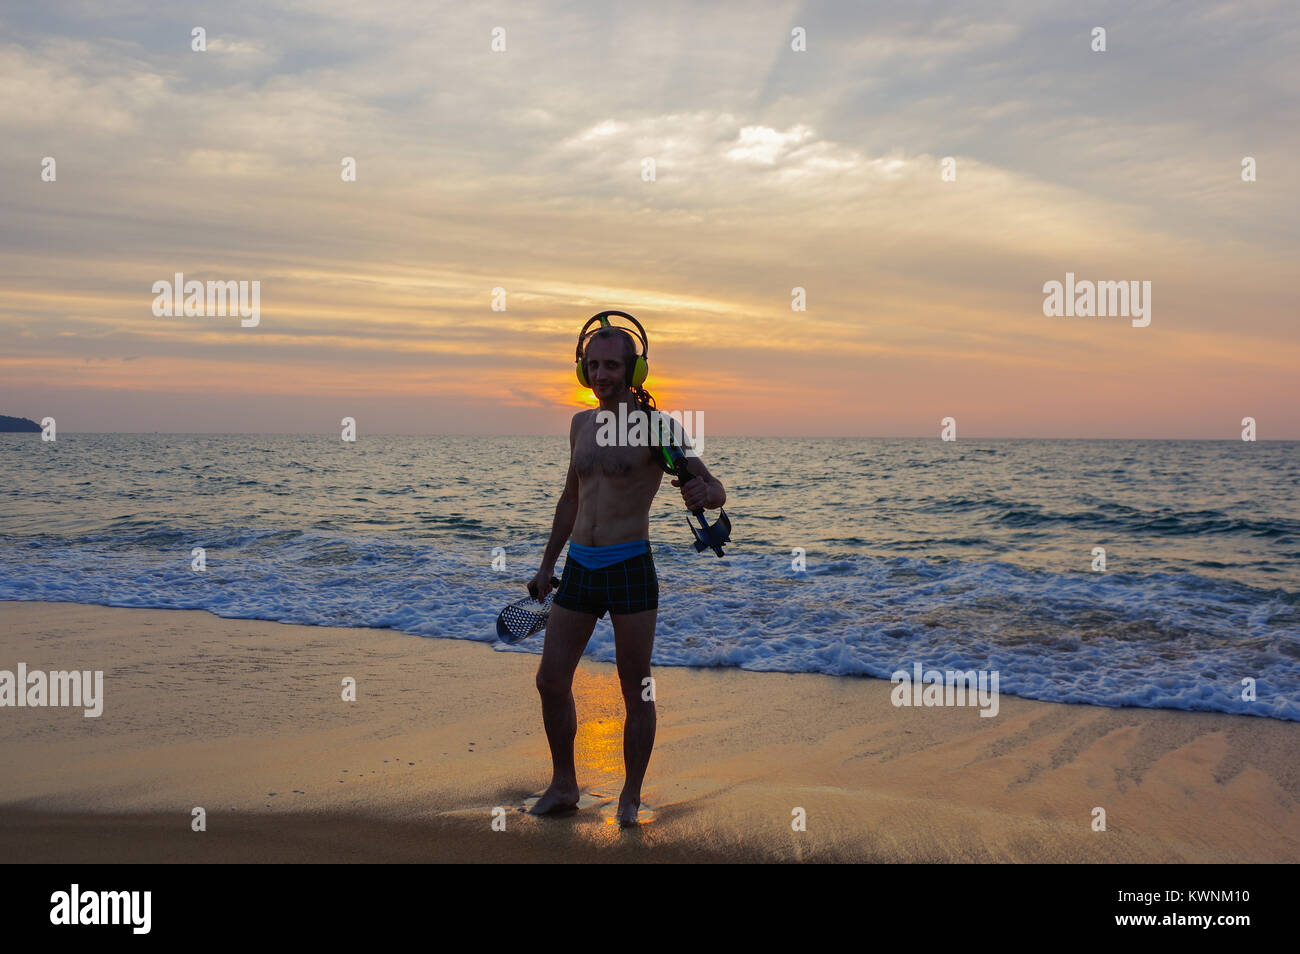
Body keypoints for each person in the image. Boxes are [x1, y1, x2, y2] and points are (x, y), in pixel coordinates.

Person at [528, 323, 726, 826]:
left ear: (634, 369)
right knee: (551, 680)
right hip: (579, 568)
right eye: (592, 365)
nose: (601, 375)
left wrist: (708, 495)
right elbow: (571, 498)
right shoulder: (579, 425)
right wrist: (548, 562)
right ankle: (564, 783)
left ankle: (630, 797)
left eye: (612, 365)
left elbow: (712, 485)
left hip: (631, 565)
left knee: (636, 686)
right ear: (581, 369)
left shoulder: (656, 428)